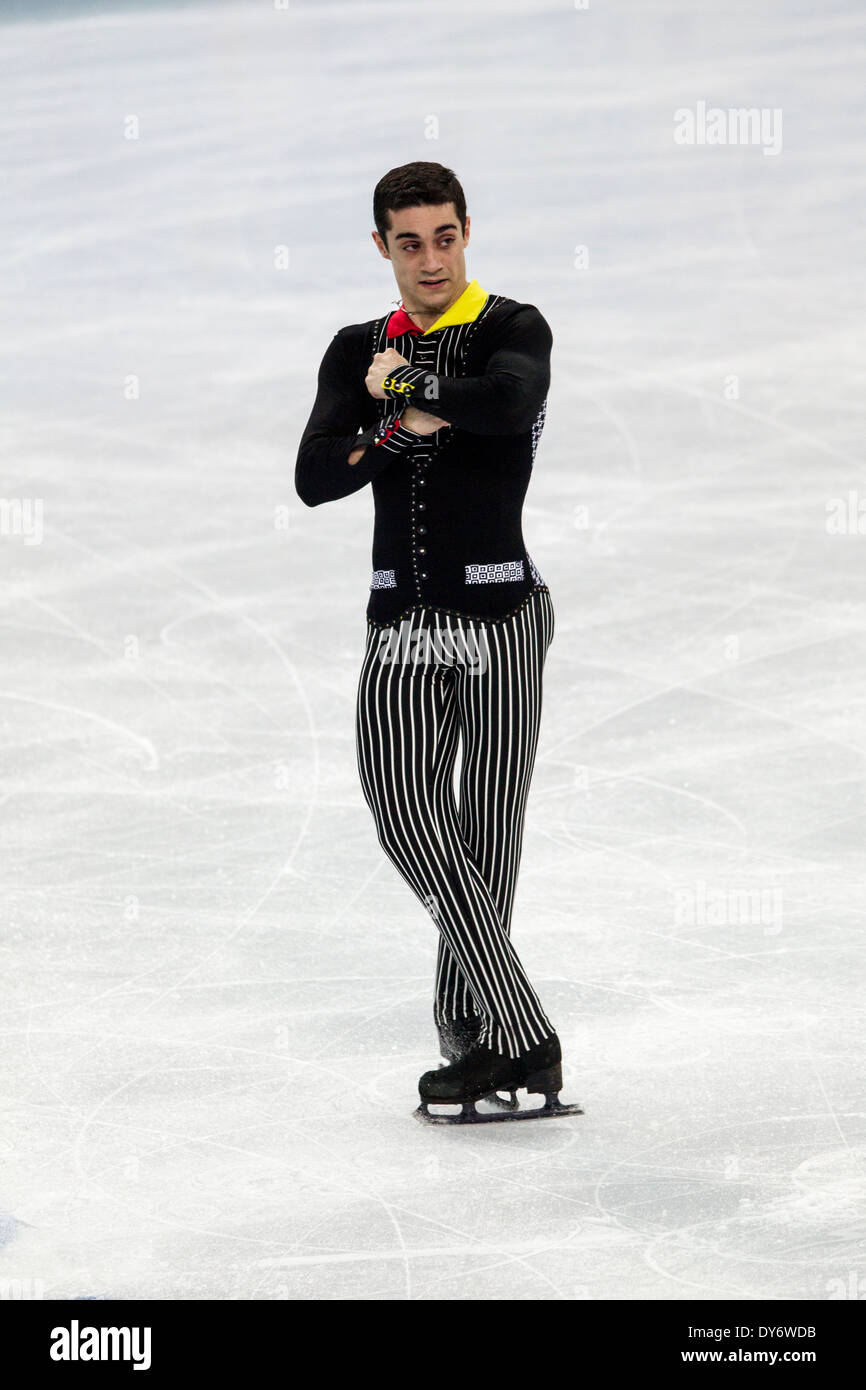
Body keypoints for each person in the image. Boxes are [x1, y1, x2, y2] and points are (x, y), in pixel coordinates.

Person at [296, 162, 579, 1123]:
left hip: (502, 615)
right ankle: (524, 1026)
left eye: (445, 236)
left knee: (487, 844)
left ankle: (479, 1047)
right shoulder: (354, 346)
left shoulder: (513, 328)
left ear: (467, 232)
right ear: (382, 246)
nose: (430, 258)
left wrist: (413, 386)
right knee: (406, 810)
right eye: (409, 241)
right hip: (403, 623)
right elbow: (314, 476)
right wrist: (397, 431)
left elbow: (503, 409)